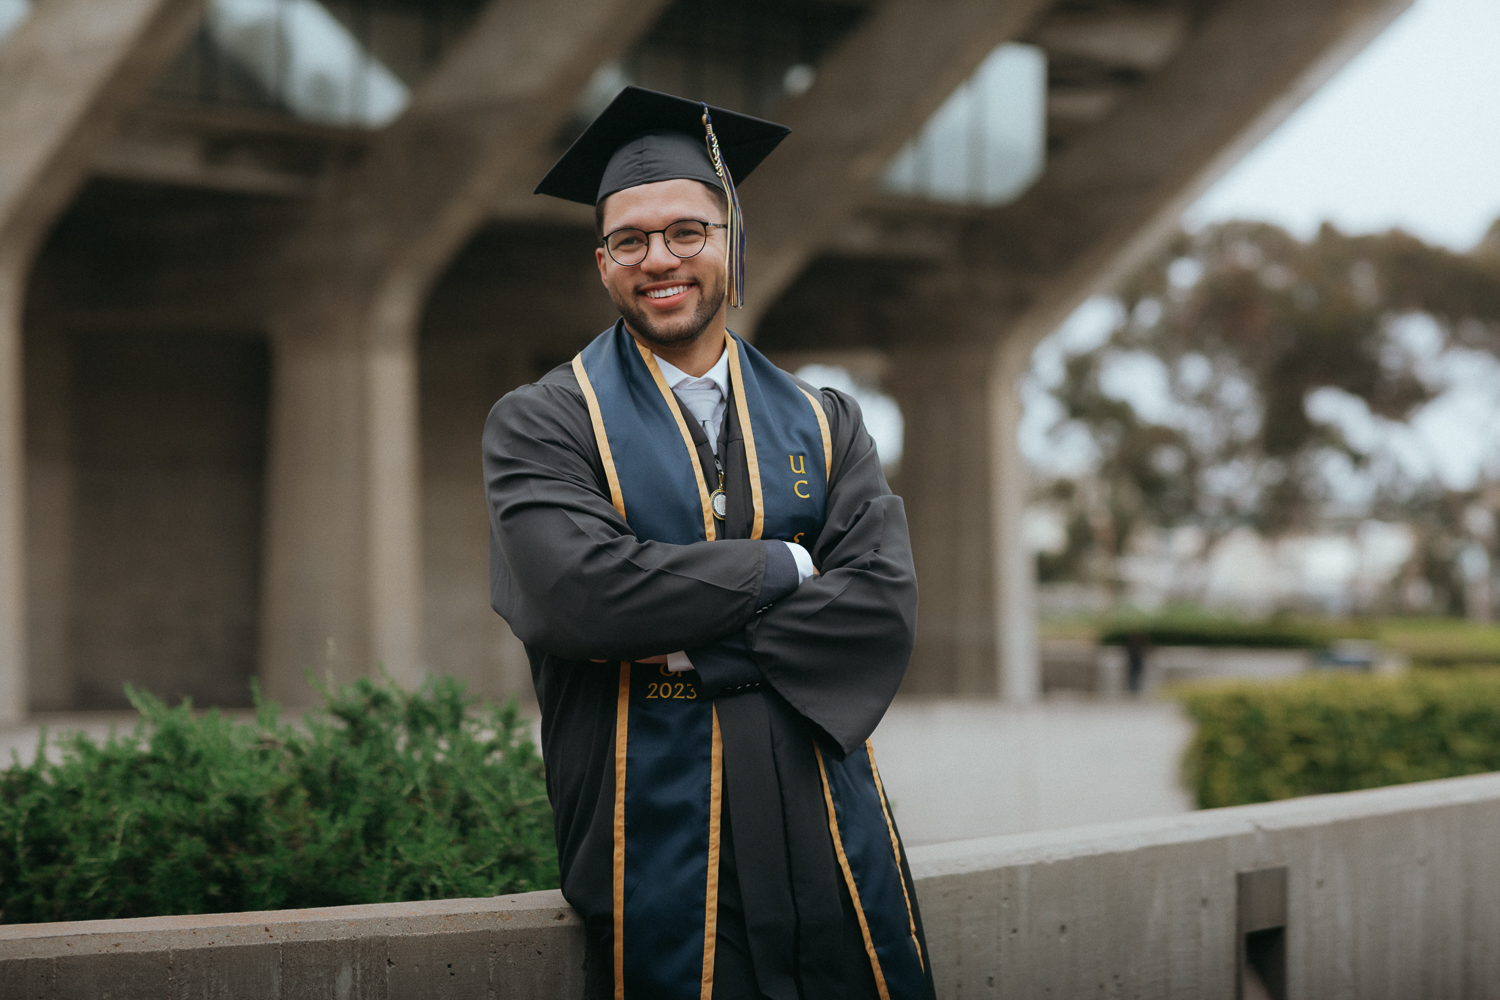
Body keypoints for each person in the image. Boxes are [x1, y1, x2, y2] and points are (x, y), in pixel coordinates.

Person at [483, 85, 934, 1000]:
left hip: (822, 806)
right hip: (646, 810)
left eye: (687, 231)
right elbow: (585, 597)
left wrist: (683, 621)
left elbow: (882, 604)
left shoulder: (826, 420)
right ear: (602, 262)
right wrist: (787, 566)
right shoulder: (543, 422)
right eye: (631, 240)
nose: (661, 259)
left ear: (730, 239)